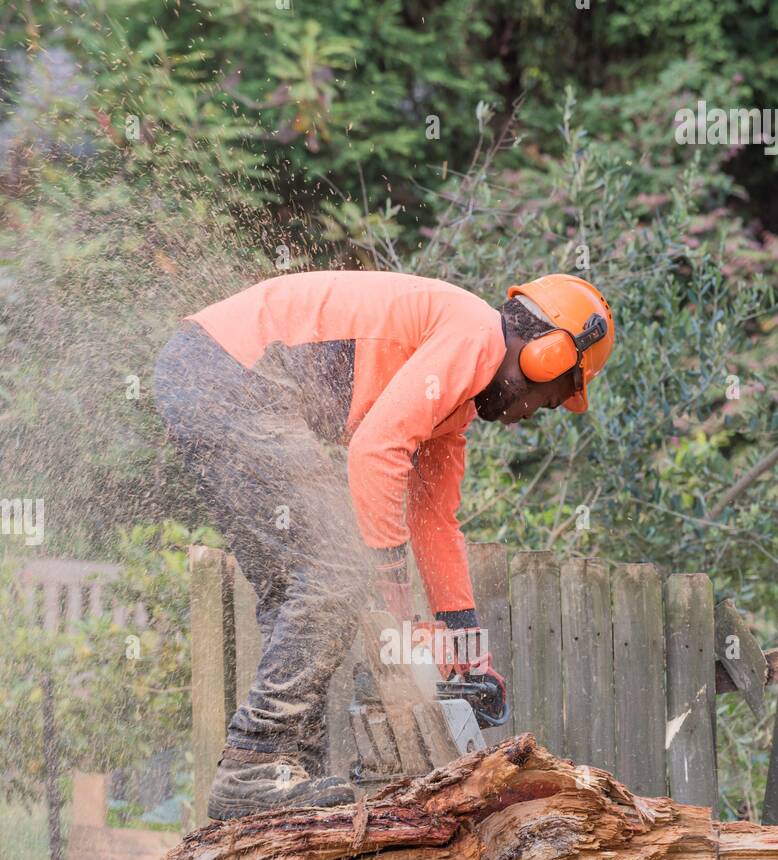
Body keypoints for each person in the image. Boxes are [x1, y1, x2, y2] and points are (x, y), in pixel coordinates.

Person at [153, 270, 614, 819]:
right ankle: (255, 761)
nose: (532, 413)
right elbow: (375, 451)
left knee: (298, 587)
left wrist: (463, 639)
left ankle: (283, 772)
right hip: (231, 373)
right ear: (548, 356)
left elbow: (436, 521)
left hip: (212, 370)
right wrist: (397, 611)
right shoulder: (475, 337)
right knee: (337, 571)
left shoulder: (455, 401)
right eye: (550, 398)